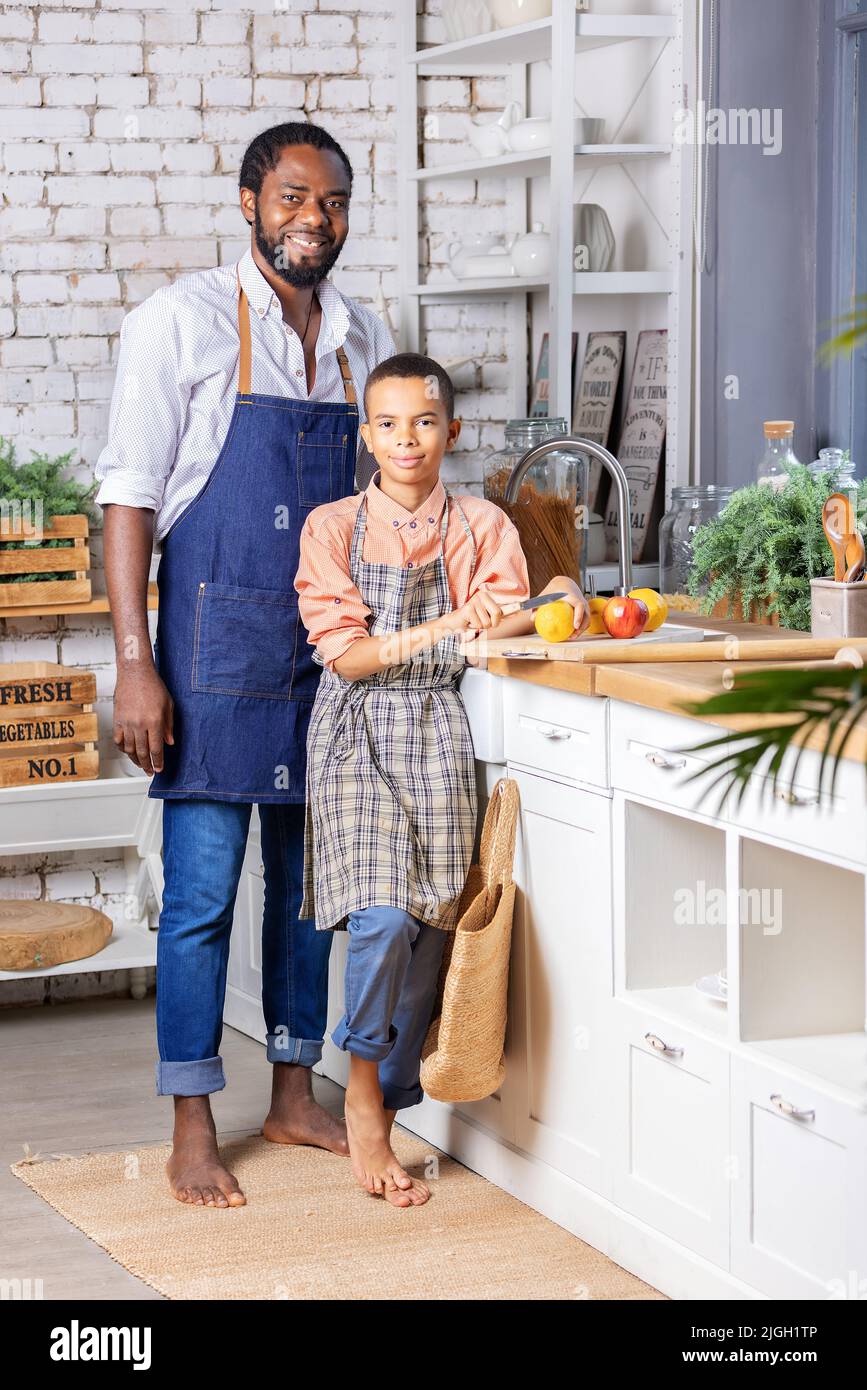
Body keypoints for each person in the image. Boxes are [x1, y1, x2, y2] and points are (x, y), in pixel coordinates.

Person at [94, 122, 395, 1209]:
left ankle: (290, 1091)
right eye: (294, 197)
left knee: (313, 893)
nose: (314, 218)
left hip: (327, 653)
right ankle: (189, 1122)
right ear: (248, 202)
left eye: (335, 201)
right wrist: (136, 663)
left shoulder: (365, 335)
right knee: (204, 900)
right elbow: (127, 497)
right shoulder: (177, 323)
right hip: (213, 652)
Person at [294, 353, 589, 1206]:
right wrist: (443, 626)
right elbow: (347, 657)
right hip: (356, 731)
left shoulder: (482, 526)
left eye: (423, 422)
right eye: (386, 424)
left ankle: (391, 1095)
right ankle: (358, 1100)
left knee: (431, 928)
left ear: (450, 431)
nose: (406, 440)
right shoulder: (329, 527)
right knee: (383, 919)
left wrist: (553, 593)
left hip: (437, 731)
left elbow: (493, 632)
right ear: (366, 435)